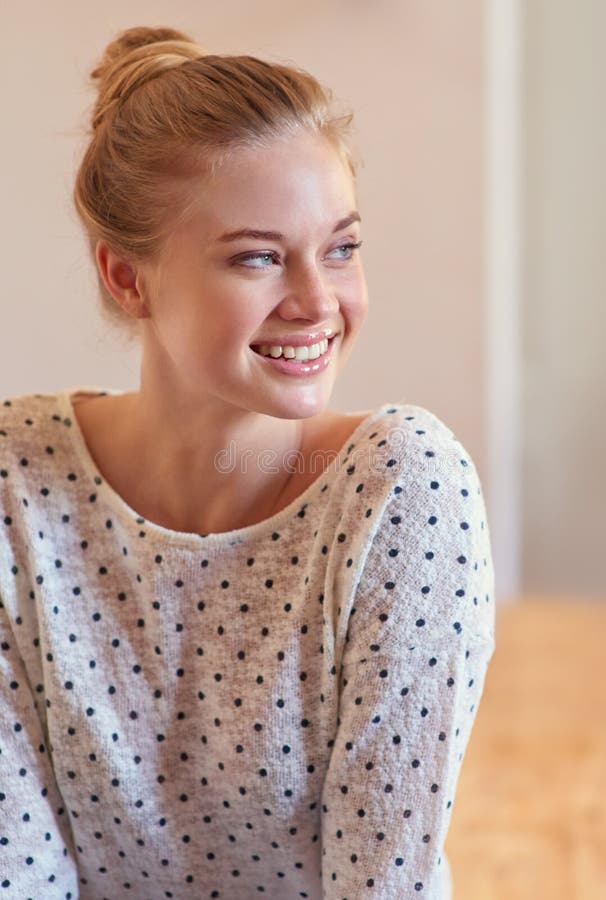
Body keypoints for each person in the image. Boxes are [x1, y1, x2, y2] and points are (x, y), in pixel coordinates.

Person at [0, 26, 496, 900]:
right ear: (126, 278)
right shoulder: (16, 480)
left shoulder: (401, 487)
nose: (317, 301)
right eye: (258, 257)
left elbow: (383, 883)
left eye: (340, 247)